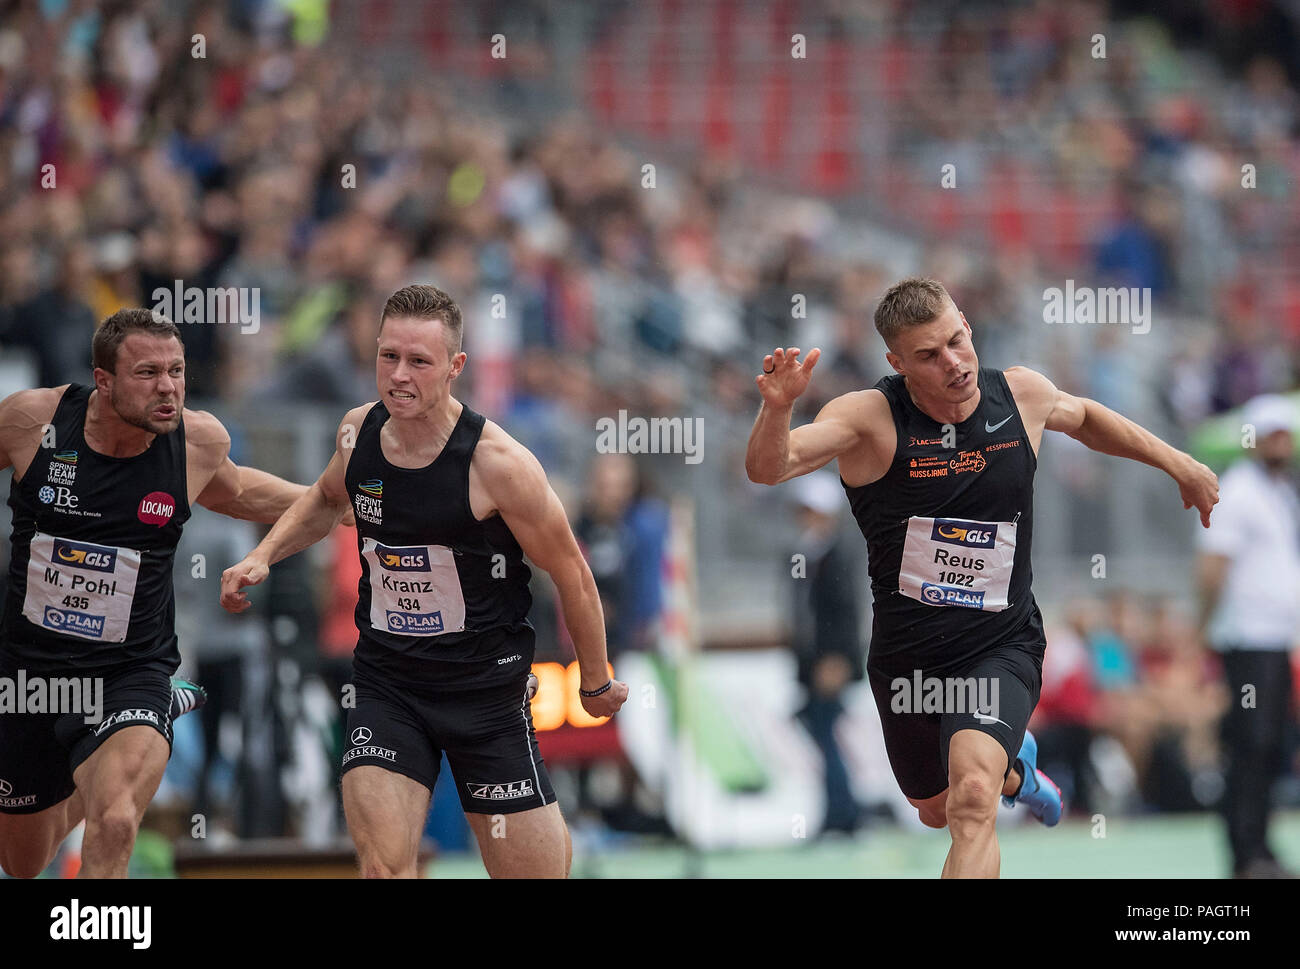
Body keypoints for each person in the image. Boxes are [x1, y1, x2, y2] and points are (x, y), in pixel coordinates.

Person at [745, 276, 1220, 878]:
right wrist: (777, 406)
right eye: (928, 355)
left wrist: (1181, 464)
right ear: (896, 362)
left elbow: (1087, 417)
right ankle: (1017, 769)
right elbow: (770, 467)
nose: (953, 363)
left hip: (1002, 643)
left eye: (955, 341)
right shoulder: (870, 419)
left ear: (966, 324)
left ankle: (997, 770)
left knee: (972, 801)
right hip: (908, 659)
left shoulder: (1019, 395)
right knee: (936, 810)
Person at [220, 284, 628, 878]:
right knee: (384, 869)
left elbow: (572, 574)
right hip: (390, 687)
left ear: (455, 367)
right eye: (389, 357)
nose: (399, 376)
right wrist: (265, 554)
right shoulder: (358, 433)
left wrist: (594, 680)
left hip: (485, 696)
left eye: (419, 361)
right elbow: (326, 500)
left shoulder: (498, 465)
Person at [0, 308, 312, 878]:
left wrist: (333, 504)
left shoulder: (196, 442)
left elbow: (238, 492)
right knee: (22, 863)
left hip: (131, 670)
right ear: (104, 380)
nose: (167, 386)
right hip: (28, 677)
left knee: (116, 820)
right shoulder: (32, 421)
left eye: (176, 370)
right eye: (147, 373)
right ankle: (81, 775)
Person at [1196, 392, 1300, 878]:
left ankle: (1260, 844)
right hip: (1248, 639)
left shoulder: (1279, 492)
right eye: (1272, 434)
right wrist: (1206, 625)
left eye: (1285, 434)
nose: (1281, 443)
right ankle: (1244, 853)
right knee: (1250, 742)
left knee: (1272, 743)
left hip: (1276, 640)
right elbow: (1213, 565)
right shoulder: (1238, 490)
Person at [787, 470, 866, 836]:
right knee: (821, 732)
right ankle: (840, 807)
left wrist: (837, 659)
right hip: (812, 662)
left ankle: (843, 810)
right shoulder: (808, 552)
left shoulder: (835, 554)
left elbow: (846, 611)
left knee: (825, 732)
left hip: (827, 662)